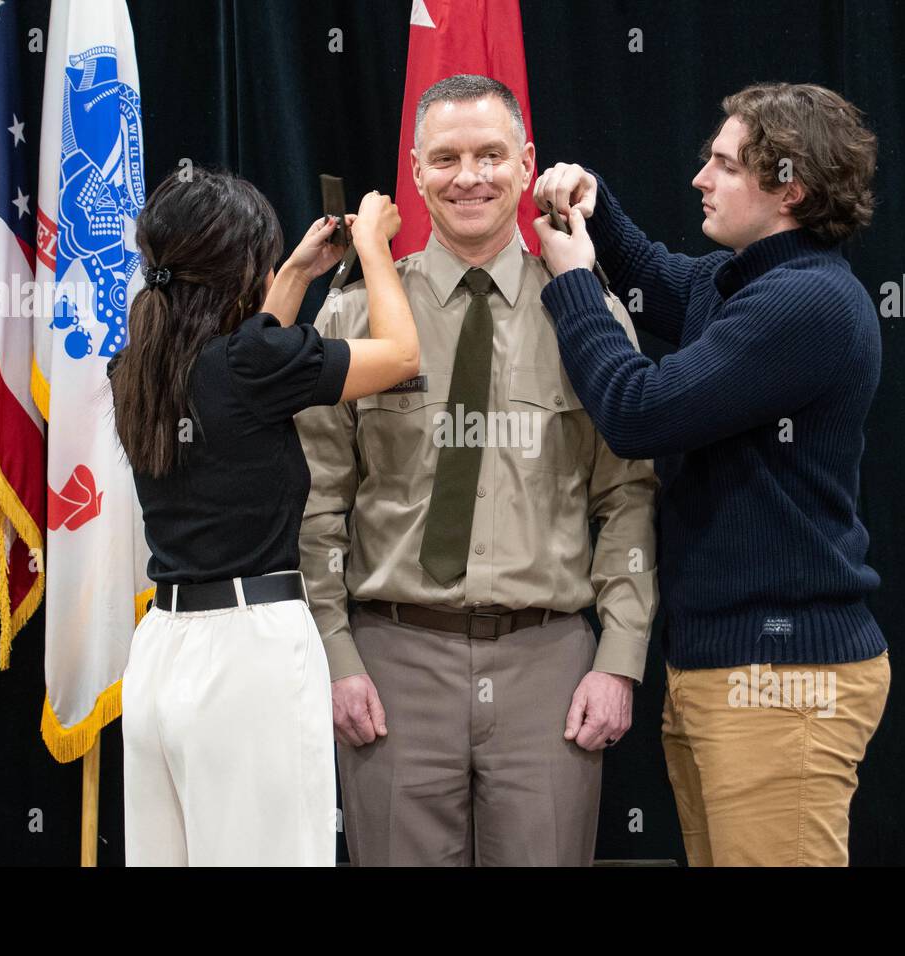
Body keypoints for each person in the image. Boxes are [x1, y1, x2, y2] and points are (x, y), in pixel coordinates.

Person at [295, 74, 658, 866]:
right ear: (416, 173)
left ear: (526, 164)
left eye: (491, 154)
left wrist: (620, 659)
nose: (471, 177)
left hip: (548, 669)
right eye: (447, 158)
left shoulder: (587, 313)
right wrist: (334, 654)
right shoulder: (353, 317)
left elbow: (626, 498)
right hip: (392, 667)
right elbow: (319, 501)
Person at [532, 82, 890, 866]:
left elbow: (637, 411)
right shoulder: (748, 281)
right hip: (726, 666)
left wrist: (571, 286)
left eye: (725, 166)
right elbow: (662, 279)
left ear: (788, 187)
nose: (701, 178)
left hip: (782, 679)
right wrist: (597, 207)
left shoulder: (806, 303)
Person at [107, 167, 418, 866]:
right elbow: (402, 354)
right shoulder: (250, 365)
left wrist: (299, 274)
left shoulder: (137, 368)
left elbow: (242, 357)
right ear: (242, 269)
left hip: (160, 651)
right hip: (250, 658)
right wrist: (372, 247)